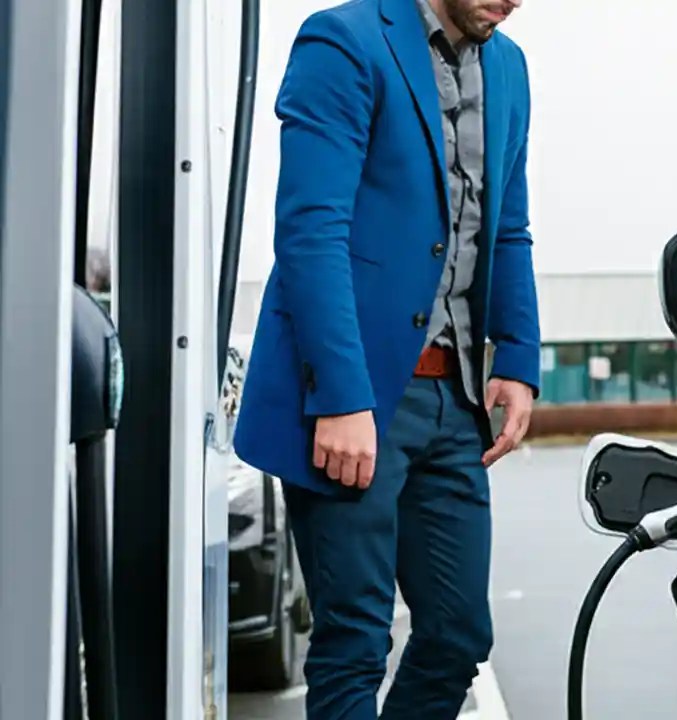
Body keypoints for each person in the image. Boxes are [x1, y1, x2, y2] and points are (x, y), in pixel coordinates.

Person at [231, 0, 537, 716]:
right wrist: (340, 398)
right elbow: (312, 232)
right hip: (355, 399)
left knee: (458, 635)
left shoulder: (510, 69)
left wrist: (518, 356)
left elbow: (510, 223)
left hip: (454, 401)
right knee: (354, 642)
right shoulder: (343, 41)